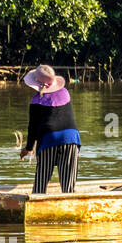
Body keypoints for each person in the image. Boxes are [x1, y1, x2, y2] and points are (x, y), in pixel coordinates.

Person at [18, 64, 81, 193]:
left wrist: (28, 148)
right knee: (68, 188)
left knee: (41, 184)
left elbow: (33, 128)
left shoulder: (36, 101)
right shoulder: (65, 93)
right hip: (71, 137)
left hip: (49, 139)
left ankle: (37, 202)